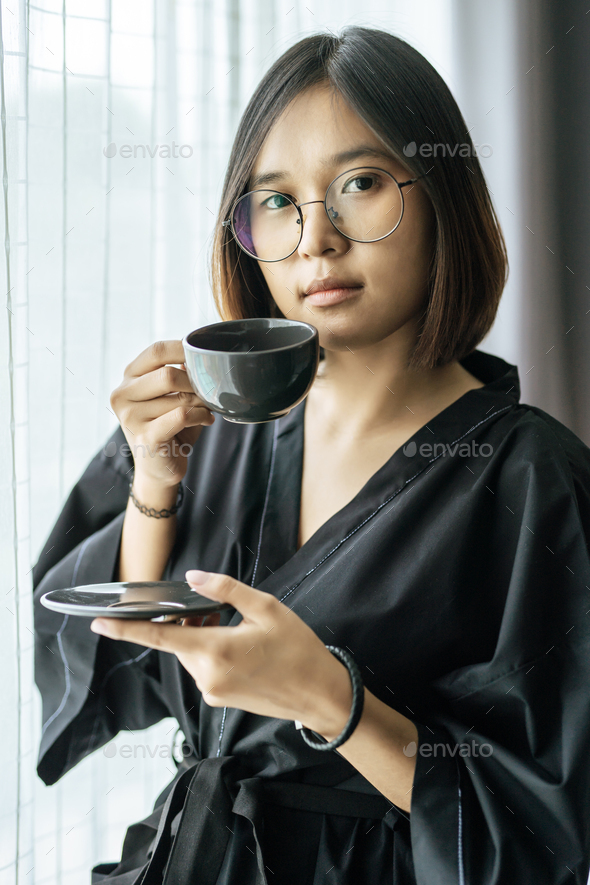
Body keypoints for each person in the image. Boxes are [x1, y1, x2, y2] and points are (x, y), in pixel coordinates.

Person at [33, 25, 590, 885]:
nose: (316, 238)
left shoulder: (531, 477)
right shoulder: (209, 428)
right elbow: (120, 675)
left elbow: (540, 832)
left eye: (360, 184)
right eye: (277, 201)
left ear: (444, 195)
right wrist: (153, 489)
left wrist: (333, 698)